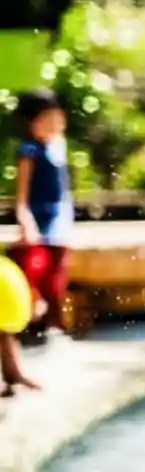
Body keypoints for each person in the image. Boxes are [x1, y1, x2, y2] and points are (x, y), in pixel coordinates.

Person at [1, 89, 73, 396]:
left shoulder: (57, 147)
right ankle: (14, 368)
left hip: (57, 226)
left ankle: (16, 369)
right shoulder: (29, 151)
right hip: (39, 226)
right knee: (28, 286)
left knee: (51, 283)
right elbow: (22, 196)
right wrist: (25, 220)